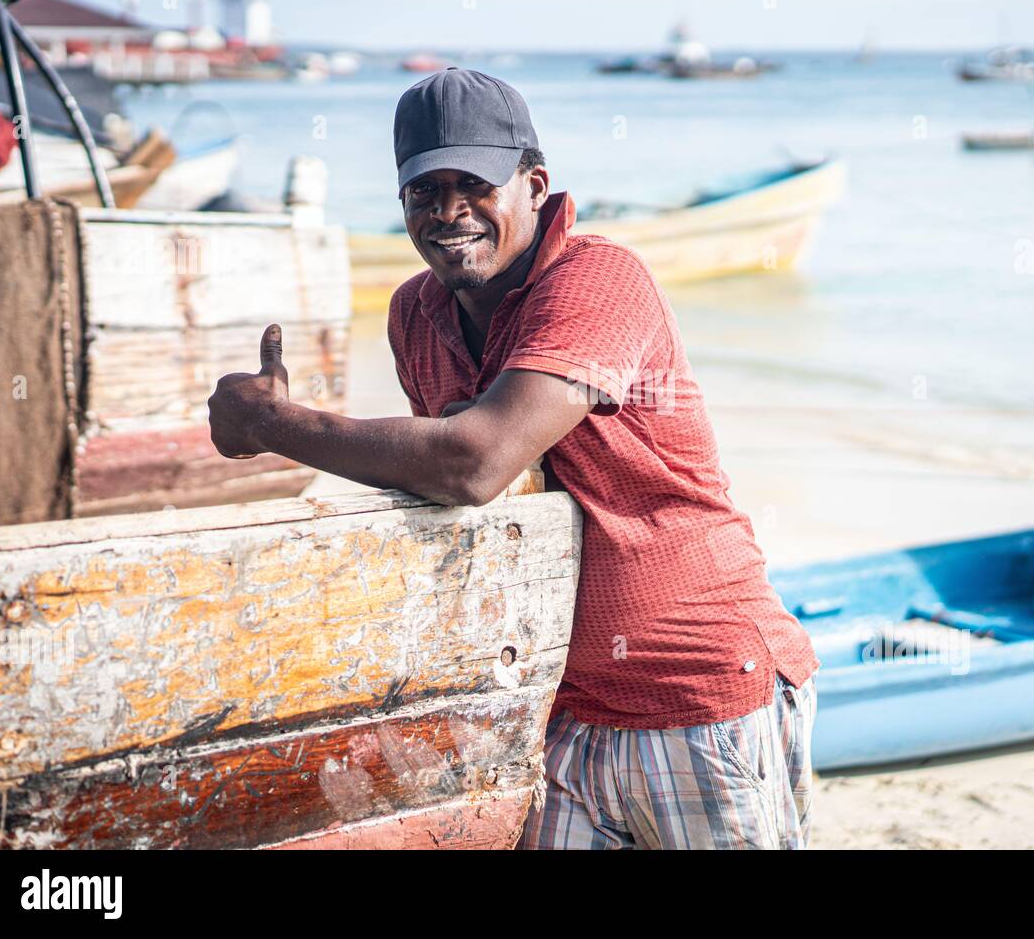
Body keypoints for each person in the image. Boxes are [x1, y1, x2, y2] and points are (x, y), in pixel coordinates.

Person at [207, 68, 819, 849]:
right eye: (424, 192)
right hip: (554, 707)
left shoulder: (599, 279)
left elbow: (474, 462)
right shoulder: (415, 314)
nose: (448, 212)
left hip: (696, 693)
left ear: (534, 185)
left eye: (474, 184)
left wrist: (275, 425)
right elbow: (457, 498)